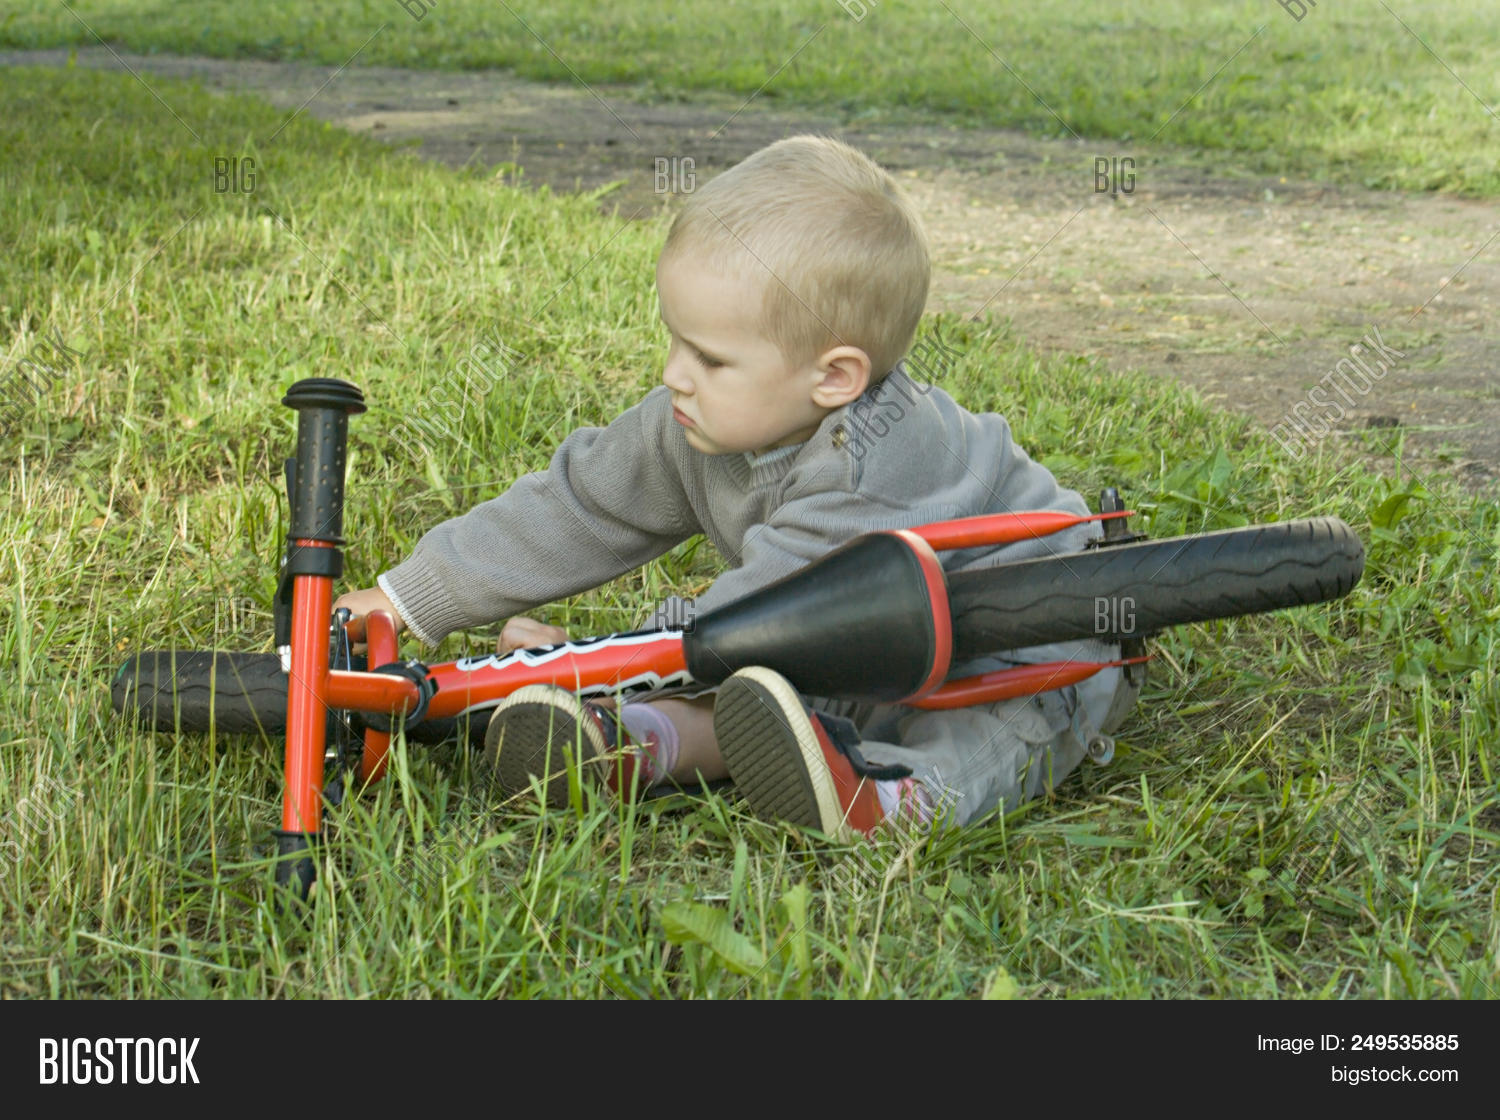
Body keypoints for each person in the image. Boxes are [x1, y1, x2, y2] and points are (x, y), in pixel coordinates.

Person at [334, 135, 1137, 842]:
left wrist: (579, 666)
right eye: (674, 340)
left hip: (1025, 642)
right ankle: (633, 747)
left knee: (995, 727)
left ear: (834, 377)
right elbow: (578, 506)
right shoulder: (700, 418)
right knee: (767, 699)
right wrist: (407, 600)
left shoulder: (874, 462)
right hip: (858, 650)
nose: (672, 375)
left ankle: (895, 800)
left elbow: (736, 624)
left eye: (709, 358)